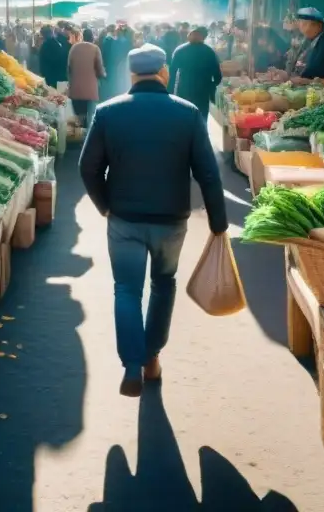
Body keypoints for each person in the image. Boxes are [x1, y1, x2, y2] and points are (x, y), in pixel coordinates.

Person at [79, 43, 228, 398]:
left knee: (126, 289)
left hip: (125, 218)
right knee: (163, 285)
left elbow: (88, 167)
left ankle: (130, 365)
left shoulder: (108, 112)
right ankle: (151, 359)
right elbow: (208, 174)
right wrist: (218, 223)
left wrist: (104, 205)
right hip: (170, 221)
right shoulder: (188, 113)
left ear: (131, 75)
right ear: (164, 73)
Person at [169, 26, 223, 116]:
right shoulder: (209, 51)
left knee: (184, 116)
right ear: (204, 37)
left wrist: (170, 92)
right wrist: (211, 86)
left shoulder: (180, 50)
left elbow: (172, 73)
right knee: (201, 117)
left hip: (184, 89)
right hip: (202, 91)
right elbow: (217, 75)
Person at [67, 27, 106, 128]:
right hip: (90, 91)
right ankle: (87, 139)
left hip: (75, 89)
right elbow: (100, 69)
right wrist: (103, 75)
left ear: (83, 36)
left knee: (79, 117)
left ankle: (78, 136)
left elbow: (69, 68)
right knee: (91, 118)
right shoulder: (95, 49)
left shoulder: (74, 48)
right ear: (92, 37)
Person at [293, 7, 324, 80]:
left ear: (320, 26)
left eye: (312, 25)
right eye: (303, 24)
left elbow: (316, 70)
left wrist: (295, 79)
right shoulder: (307, 40)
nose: (307, 28)